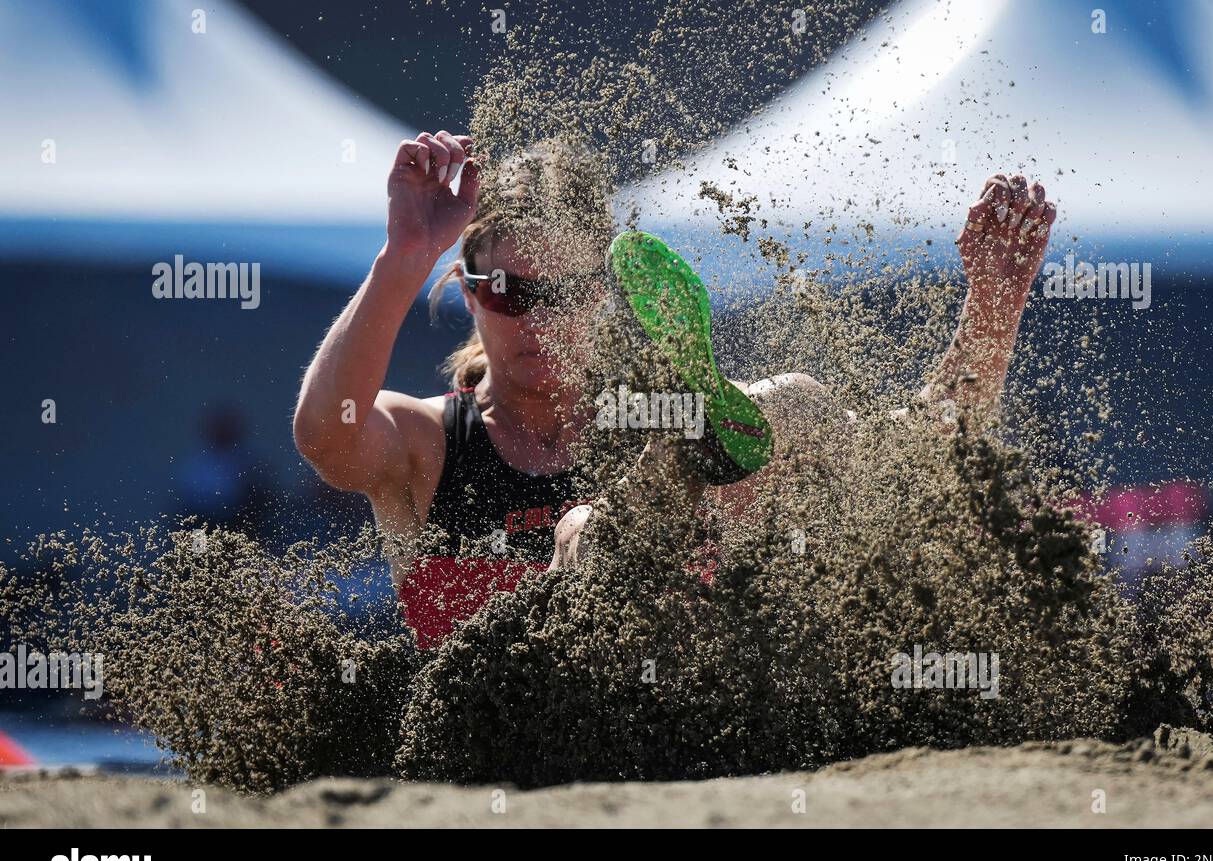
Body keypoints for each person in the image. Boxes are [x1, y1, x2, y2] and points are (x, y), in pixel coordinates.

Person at [293, 128, 1057, 646]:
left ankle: (711, 449)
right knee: (584, 533)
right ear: (466, 290)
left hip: (654, 719)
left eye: (566, 292)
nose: (540, 321)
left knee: (799, 406)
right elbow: (325, 434)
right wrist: (404, 255)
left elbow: (920, 456)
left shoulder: (654, 417)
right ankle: (645, 501)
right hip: (504, 728)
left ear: (604, 292)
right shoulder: (426, 442)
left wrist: (994, 304)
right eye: (511, 293)